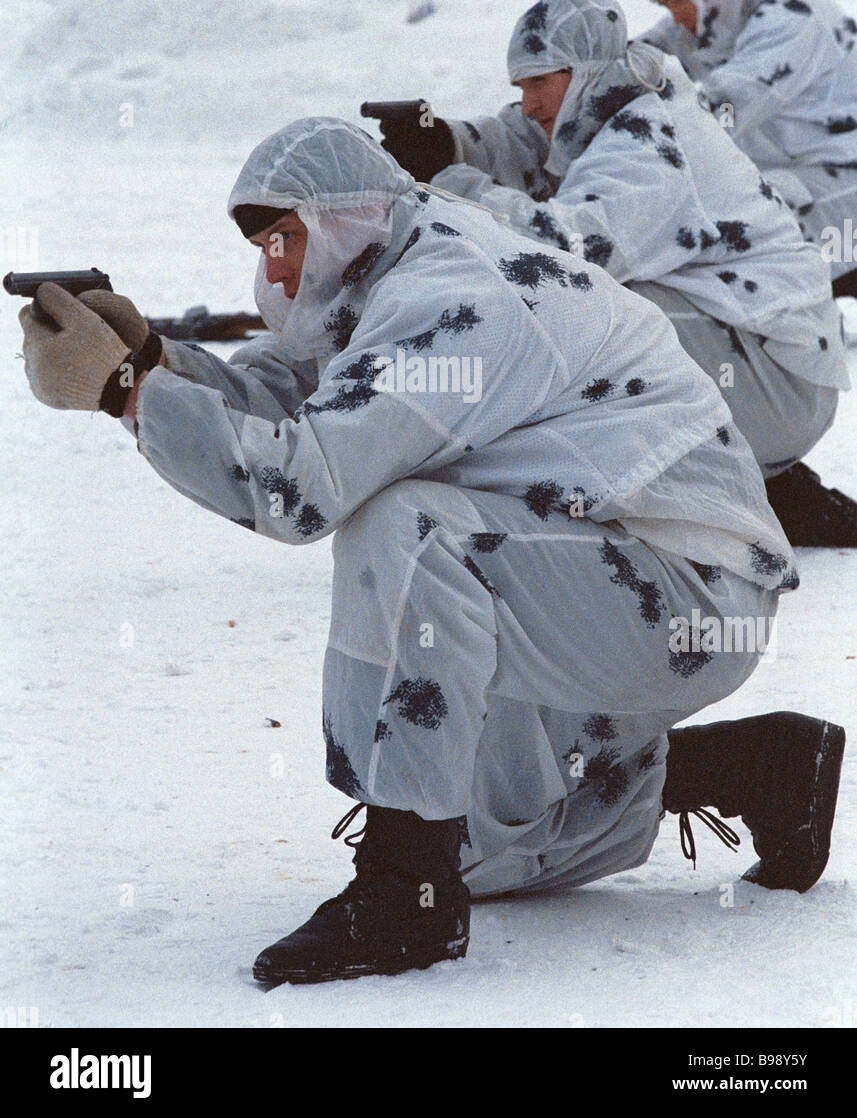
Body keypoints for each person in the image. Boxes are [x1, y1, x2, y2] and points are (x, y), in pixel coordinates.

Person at [18, 118, 844, 987]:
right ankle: (759, 766)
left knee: (408, 530)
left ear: (347, 219)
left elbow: (297, 486)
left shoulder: (457, 297)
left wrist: (125, 394)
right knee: (488, 847)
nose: (275, 269)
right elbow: (296, 394)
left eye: (286, 238)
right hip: (594, 561)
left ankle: (404, 896)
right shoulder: (389, 264)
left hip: (689, 588)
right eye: (265, 246)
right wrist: (151, 359)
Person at [380, 0, 857, 545]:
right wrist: (449, 141)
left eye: (538, 83)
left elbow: (558, 251)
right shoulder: (612, 105)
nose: (528, 102)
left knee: (581, 310)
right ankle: (749, 479)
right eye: (521, 87)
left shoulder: (649, 142)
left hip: (778, 381)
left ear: (581, 72)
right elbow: (526, 139)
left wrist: (452, 180)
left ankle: (710, 482)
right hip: (758, 357)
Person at [637, 0, 857, 296]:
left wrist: (630, 142)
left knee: (735, 243)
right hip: (797, 173)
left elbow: (720, 111)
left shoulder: (792, 20)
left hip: (843, 183)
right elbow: (646, 61)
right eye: (666, 4)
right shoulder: (721, 8)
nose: (675, 16)